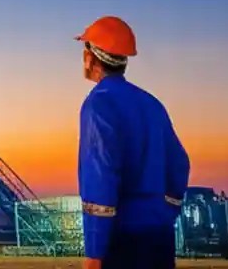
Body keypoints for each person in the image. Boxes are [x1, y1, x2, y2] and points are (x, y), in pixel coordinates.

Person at [76, 16, 190, 269]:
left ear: (91, 57)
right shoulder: (151, 104)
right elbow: (179, 165)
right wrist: (163, 214)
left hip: (121, 241)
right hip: (160, 239)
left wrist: (95, 251)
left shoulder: (99, 104)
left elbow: (100, 176)